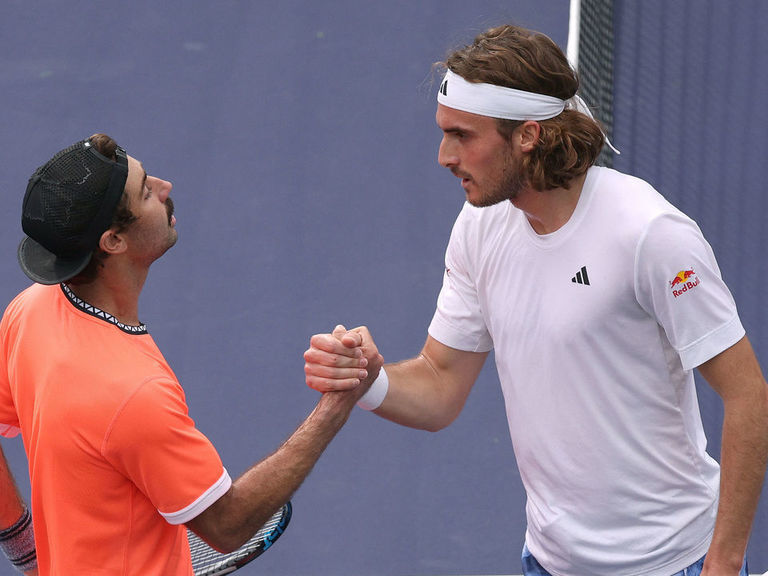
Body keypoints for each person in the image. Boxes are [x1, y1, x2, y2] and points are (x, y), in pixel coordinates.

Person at [303, 24, 768, 576]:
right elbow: (440, 385)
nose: (444, 156)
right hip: (548, 563)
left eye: (462, 136)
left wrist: (724, 563)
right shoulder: (479, 228)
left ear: (526, 135)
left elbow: (748, 396)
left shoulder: (651, 235)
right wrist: (368, 381)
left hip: (674, 563)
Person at [0, 134, 370, 575]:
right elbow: (227, 525)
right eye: (145, 192)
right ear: (113, 240)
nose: (165, 187)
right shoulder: (135, 394)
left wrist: (23, 546)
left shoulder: (29, 313)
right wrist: (336, 403)